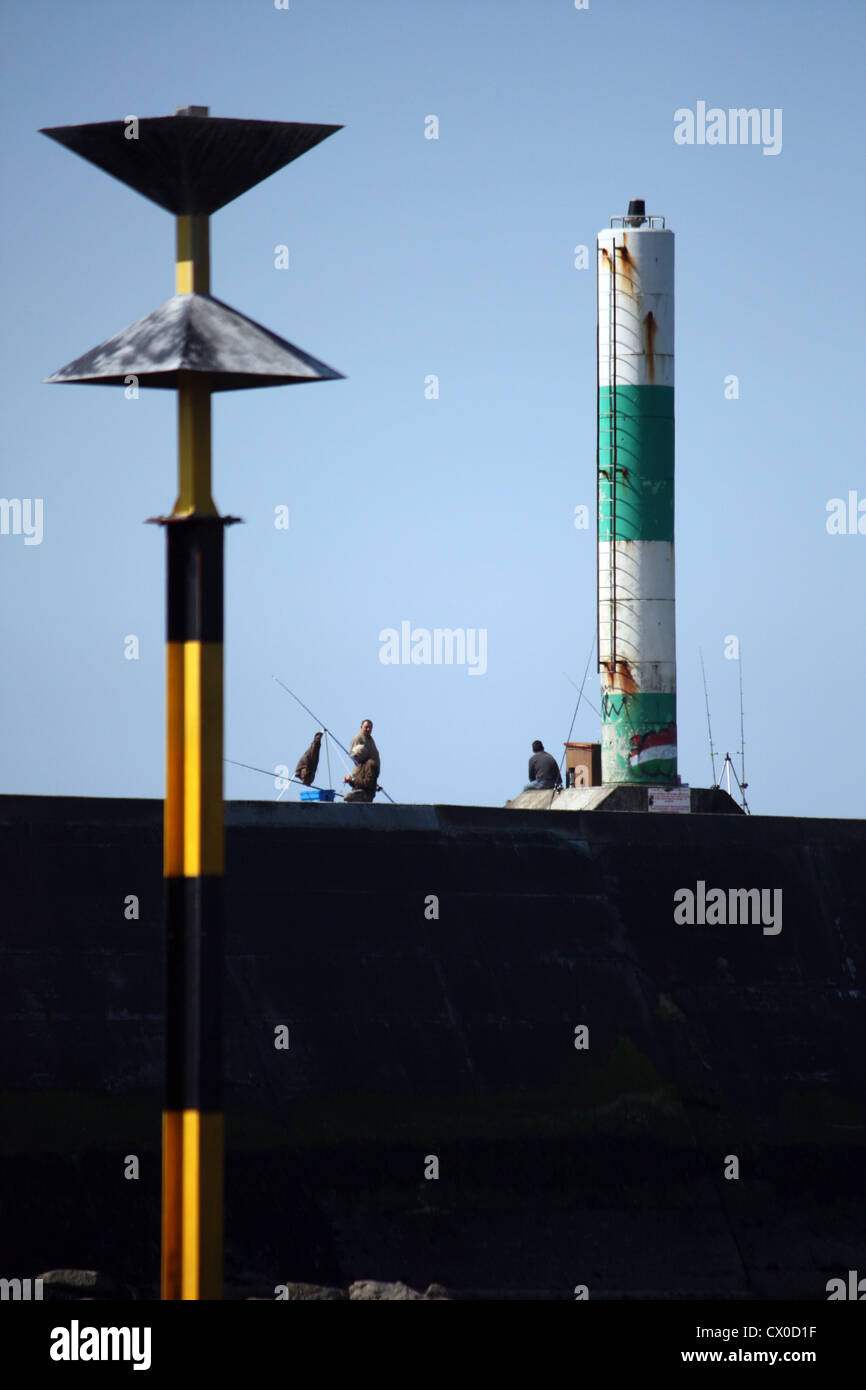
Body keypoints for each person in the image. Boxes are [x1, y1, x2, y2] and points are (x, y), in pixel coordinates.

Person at [344, 718, 380, 803]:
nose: (368, 729)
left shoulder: (370, 738)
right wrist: (352, 780)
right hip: (361, 772)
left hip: (370, 772)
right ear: (361, 727)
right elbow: (354, 755)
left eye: (370, 727)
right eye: (366, 727)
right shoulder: (358, 738)